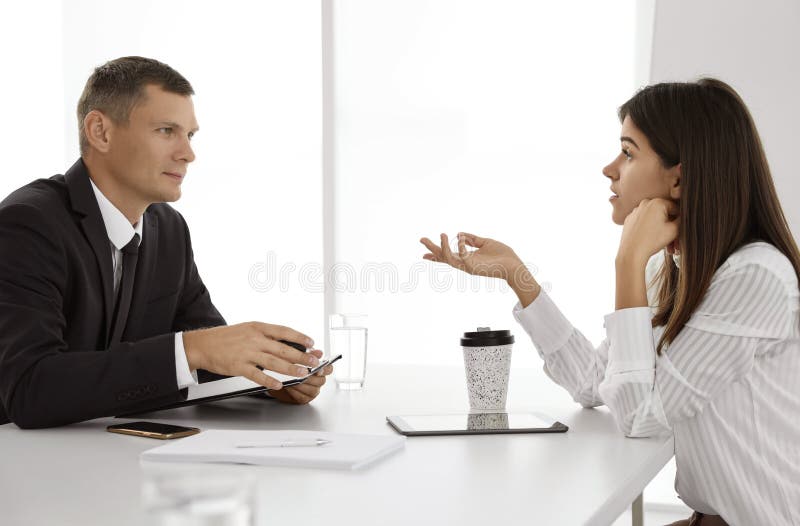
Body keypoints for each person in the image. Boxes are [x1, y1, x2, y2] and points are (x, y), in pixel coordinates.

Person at [421, 78, 800, 526]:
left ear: (678, 178)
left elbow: (640, 415)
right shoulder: (679, 271)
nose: (609, 169)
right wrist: (518, 277)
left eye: (628, 152)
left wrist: (628, 262)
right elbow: (593, 380)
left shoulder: (755, 276)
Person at [0, 56, 332, 429]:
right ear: (100, 132)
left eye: (190, 135)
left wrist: (270, 376)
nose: (188, 154)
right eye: (165, 130)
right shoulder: (28, 224)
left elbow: (206, 352)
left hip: (113, 452)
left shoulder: (169, 229)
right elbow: (29, 388)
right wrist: (192, 348)